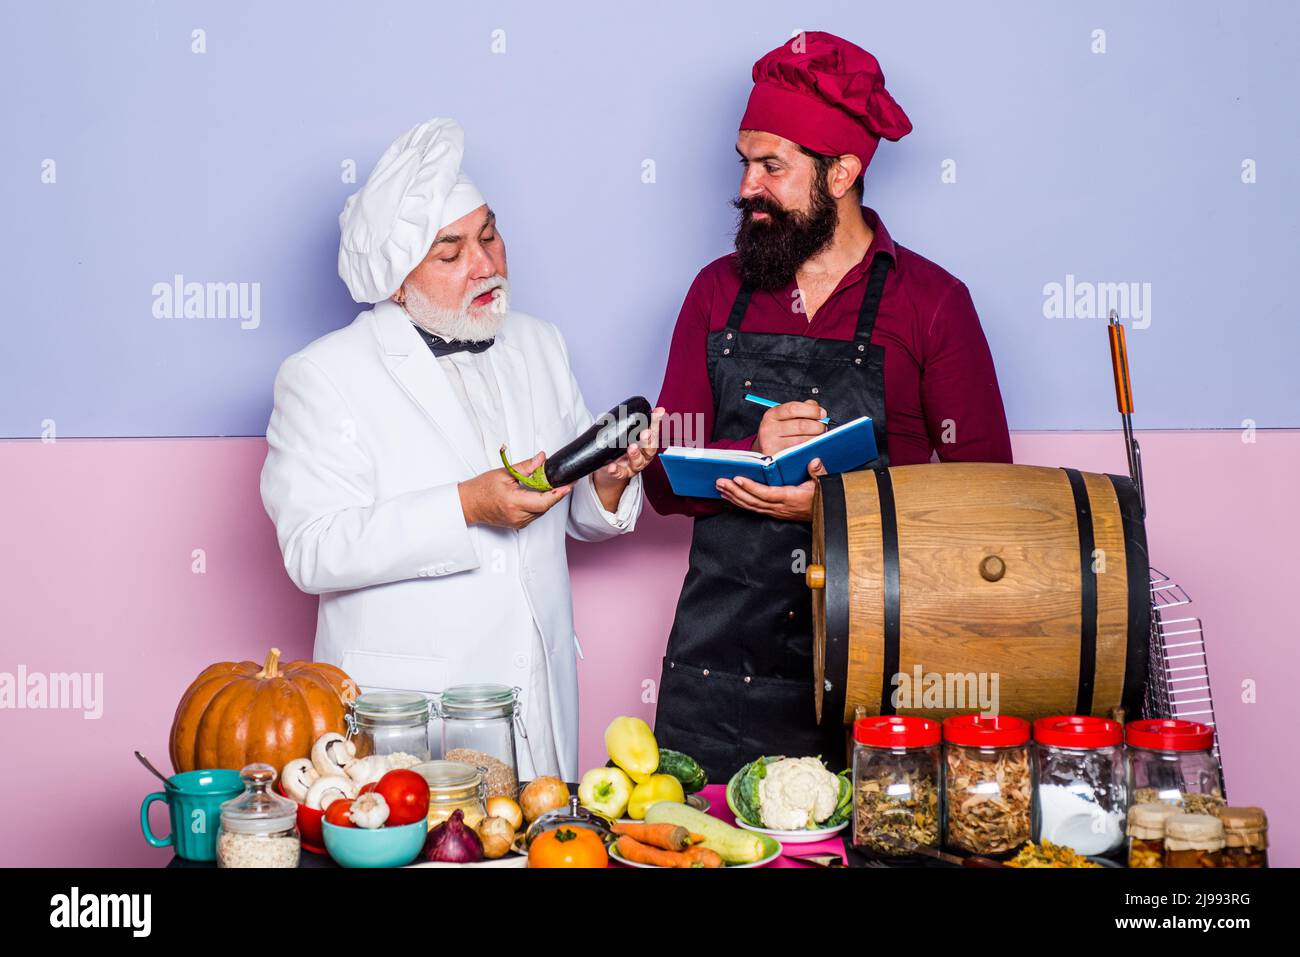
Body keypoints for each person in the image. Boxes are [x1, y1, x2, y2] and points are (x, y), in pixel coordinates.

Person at [645, 34, 1013, 781]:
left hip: (885, 674)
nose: (747, 186)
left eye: (772, 166)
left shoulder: (932, 304)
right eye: (744, 161)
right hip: (720, 677)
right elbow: (661, 483)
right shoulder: (715, 292)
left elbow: (989, 507)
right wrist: (750, 453)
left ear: (843, 171)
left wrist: (833, 511)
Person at [260, 118, 661, 781]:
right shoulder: (323, 375)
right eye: (450, 254)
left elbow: (578, 514)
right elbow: (313, 549)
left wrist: (610, 479)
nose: (486, 264)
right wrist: (466, 506)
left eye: (490, 235)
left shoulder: (539, 342)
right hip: (413, 718)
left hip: (541, 703)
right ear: (396, 281)